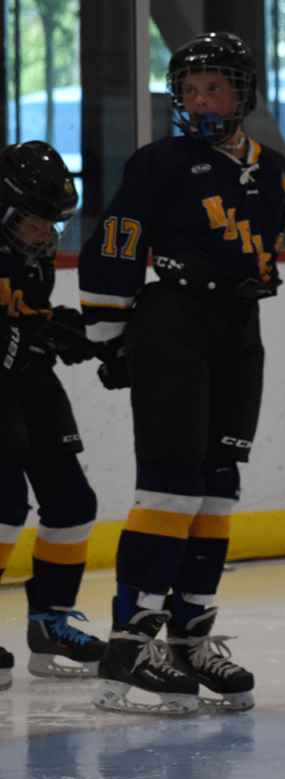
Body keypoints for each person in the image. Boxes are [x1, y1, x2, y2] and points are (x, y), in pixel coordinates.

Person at [78, 32, 285, 715]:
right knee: (170, 485)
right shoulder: (159, 164)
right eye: (191, 88)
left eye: (216, 87)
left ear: (243, 94)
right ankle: (128, 642)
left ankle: (188, 636)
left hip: (239, 331)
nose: (202, 100)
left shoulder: (279, 172)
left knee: (219, 486)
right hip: (172, 324)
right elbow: (114, 246)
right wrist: (111, 338)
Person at [0, 141, 105, 689]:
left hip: (28, 382)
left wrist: (63, 331)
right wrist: (22, 344)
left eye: (52, 224)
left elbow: (26, 317)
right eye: (34, 222)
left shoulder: (29, 257)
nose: (45, 235)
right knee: (4, 505)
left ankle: (51, 626)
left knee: (73, 504)